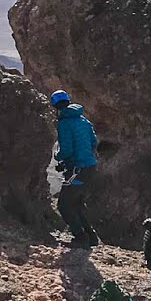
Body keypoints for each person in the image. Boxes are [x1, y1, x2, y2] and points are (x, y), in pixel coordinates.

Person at [51, 89, 100, 248]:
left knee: (64, 205)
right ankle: (91, 237)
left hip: (77, 170)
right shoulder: (84, 120)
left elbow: (66, 150)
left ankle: (80, 237)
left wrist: (58, 156)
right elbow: (94, 142)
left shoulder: (64, 123)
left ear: (55, 106)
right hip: (90, 168)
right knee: (77, 203)